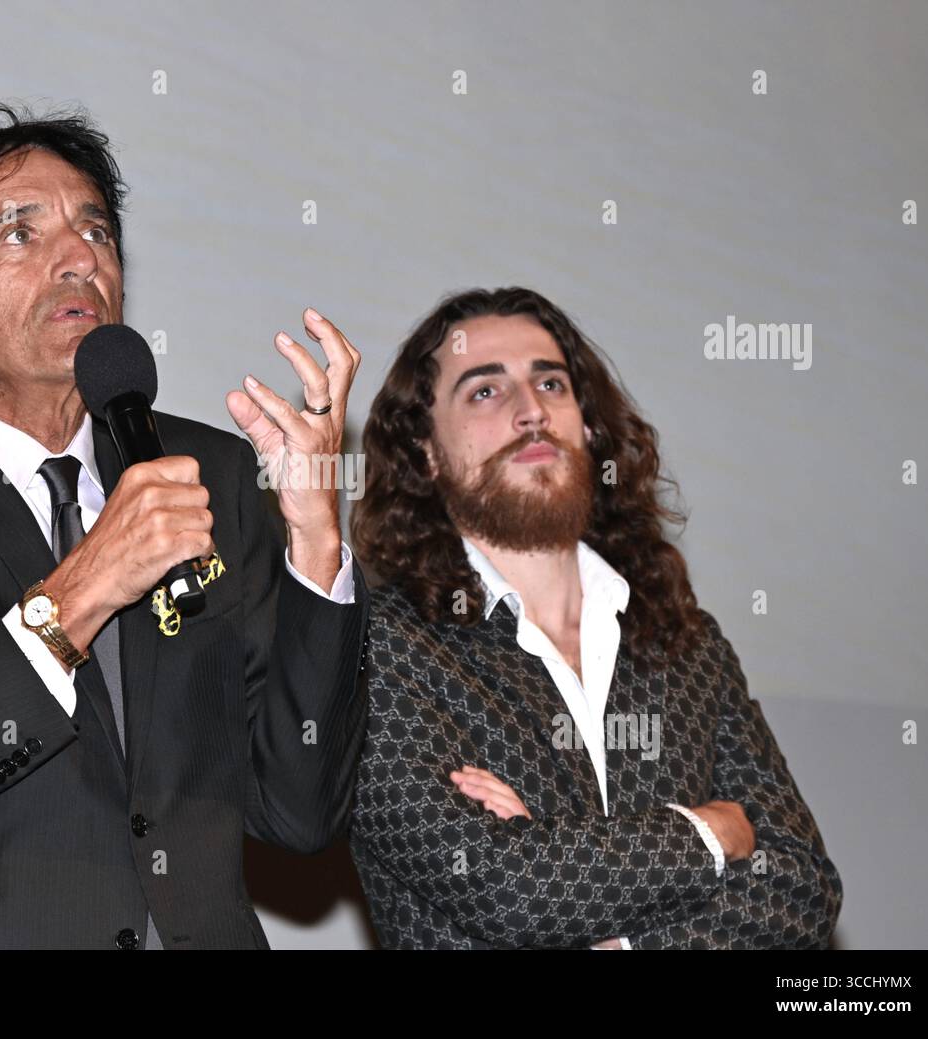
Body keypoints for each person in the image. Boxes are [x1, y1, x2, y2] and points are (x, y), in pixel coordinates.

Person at [0, 102, 369, 949]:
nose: (81, 257)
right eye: (20, 234)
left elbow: (299, 810)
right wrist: (80, 590)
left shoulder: (208, 477)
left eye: (97, 231)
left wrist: (316, 541)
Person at [347, 286, 841, 949]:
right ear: (426, 451)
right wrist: (711, 832)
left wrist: (621, 944)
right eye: (485, 392)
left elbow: (803, 887)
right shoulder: (382, 648)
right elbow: (509, 888)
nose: (531, 412)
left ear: (587, 424)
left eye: (551, 383)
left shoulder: (688, 643)